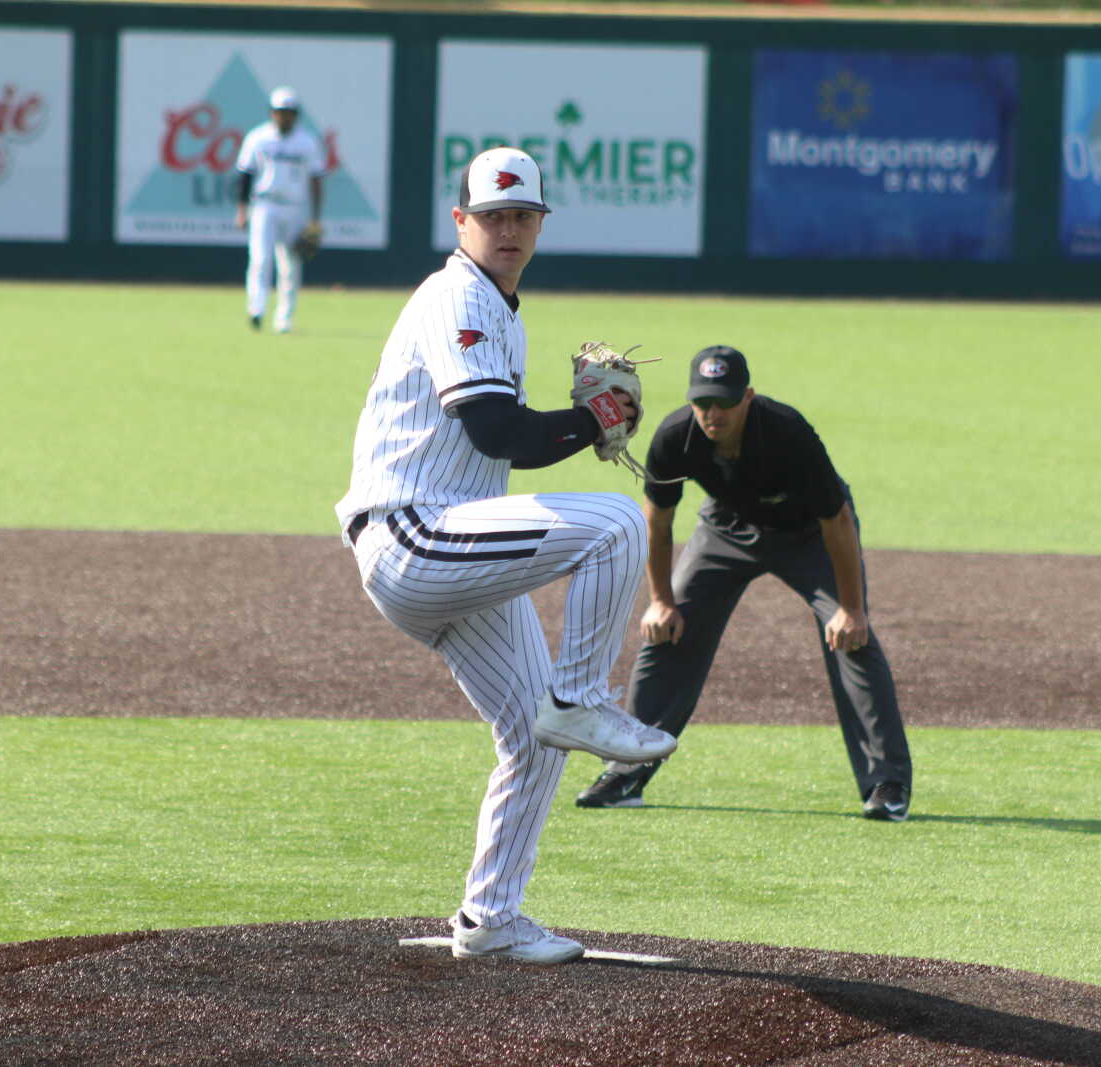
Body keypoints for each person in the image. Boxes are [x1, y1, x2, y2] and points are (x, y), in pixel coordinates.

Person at [333, 146, 678, 965]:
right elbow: (495, 431)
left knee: (532, 737)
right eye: (493, 216)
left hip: (454, 544)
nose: (509, 229)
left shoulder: (498, 303)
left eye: (523, 215)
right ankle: (585, 694)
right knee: (620, 524)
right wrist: (590, 421)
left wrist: (579, 420)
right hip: (413, 532)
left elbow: (507, 438)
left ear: (540, 223)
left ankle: (491, 916)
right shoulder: (457, 294)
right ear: (463, 223)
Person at [575, 345, 914, 821]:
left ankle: (887, 784)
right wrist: (660, 600)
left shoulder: (788, 432)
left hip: (809, 534)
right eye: (703, 402)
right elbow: (657, 521)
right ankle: (626, 770)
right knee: (671, 629)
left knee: (851, 641)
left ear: (748, 397)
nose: (713, 413)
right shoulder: (676, 435)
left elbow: (836, 519)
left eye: (724, 402)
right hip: (726, 529)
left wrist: (853, 611)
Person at [233, 86, 325, 334]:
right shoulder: (258, 137)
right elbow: (245, 175)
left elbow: (316, 179)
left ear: (296, 114)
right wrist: (242, 209)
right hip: (264, 205)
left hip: (294, 207)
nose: (283, 116)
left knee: (291, 264)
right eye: (279, 111)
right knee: (260, 259)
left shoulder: (307, 142)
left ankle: (284, 318)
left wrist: (315, 218)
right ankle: (256, 309)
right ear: (271, 112)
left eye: (288, 112)